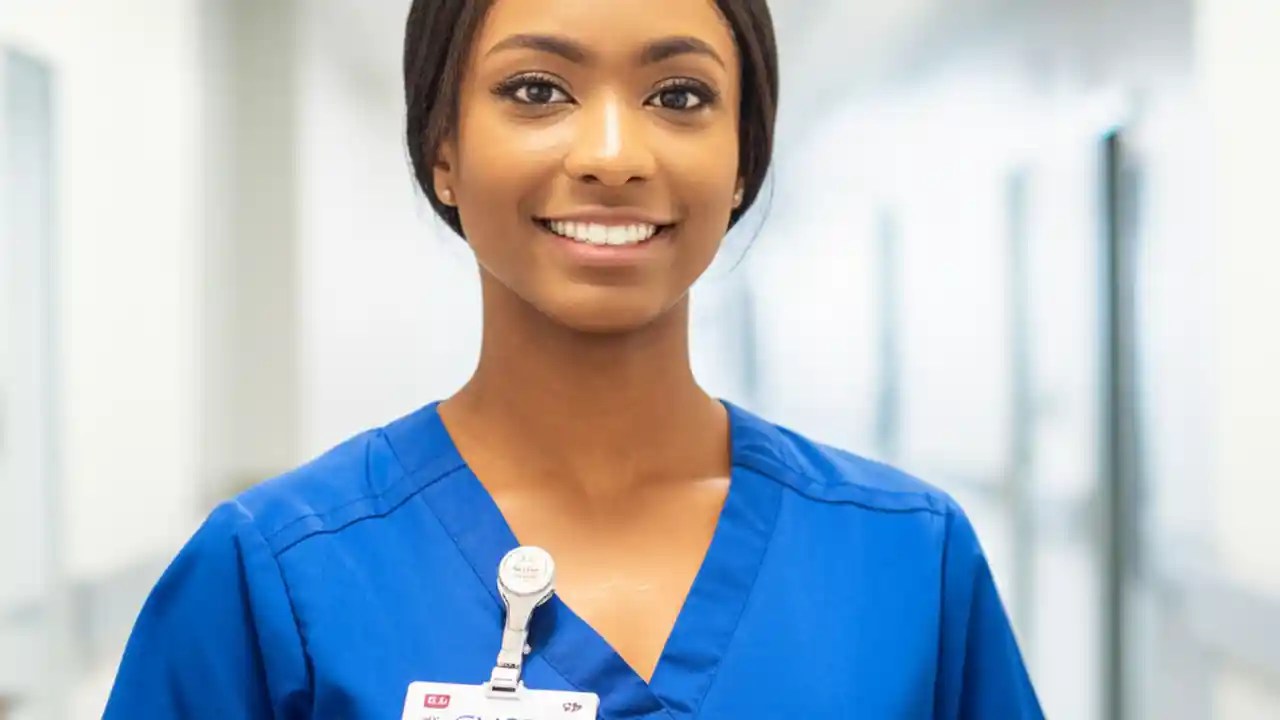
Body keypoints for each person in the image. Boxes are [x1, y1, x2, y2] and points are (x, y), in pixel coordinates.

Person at [104, 0, 1044, 717]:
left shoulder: (907, 560)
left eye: (678, 97)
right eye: (536, 91)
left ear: (743, 159)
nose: (610, 153)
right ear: (442, 149)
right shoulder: (276, 575)